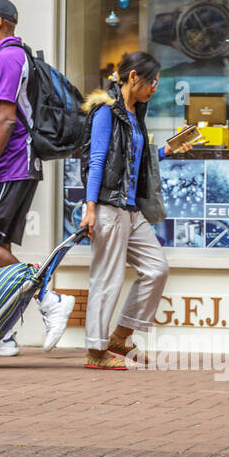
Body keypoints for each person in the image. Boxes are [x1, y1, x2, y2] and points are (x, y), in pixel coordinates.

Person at [0, 0, 73, 357]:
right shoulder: (11, 55)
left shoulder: (6, 57)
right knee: (0, 249)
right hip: (14, 167)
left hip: (9, 167)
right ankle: (6, 330)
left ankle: (48, 298)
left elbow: (6, 119)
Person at [79, 51, 192, 369]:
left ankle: (120, 336)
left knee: (157, 269)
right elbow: (97, 160)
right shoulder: (107, 111)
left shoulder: (133, 114)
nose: (154, 88)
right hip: (108, 207)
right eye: (152, 82)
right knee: (107, 278)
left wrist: (167, 150)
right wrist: (90, 208)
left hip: (131, 209)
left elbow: (135, 159)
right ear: (133, 78)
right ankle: (95, 351)